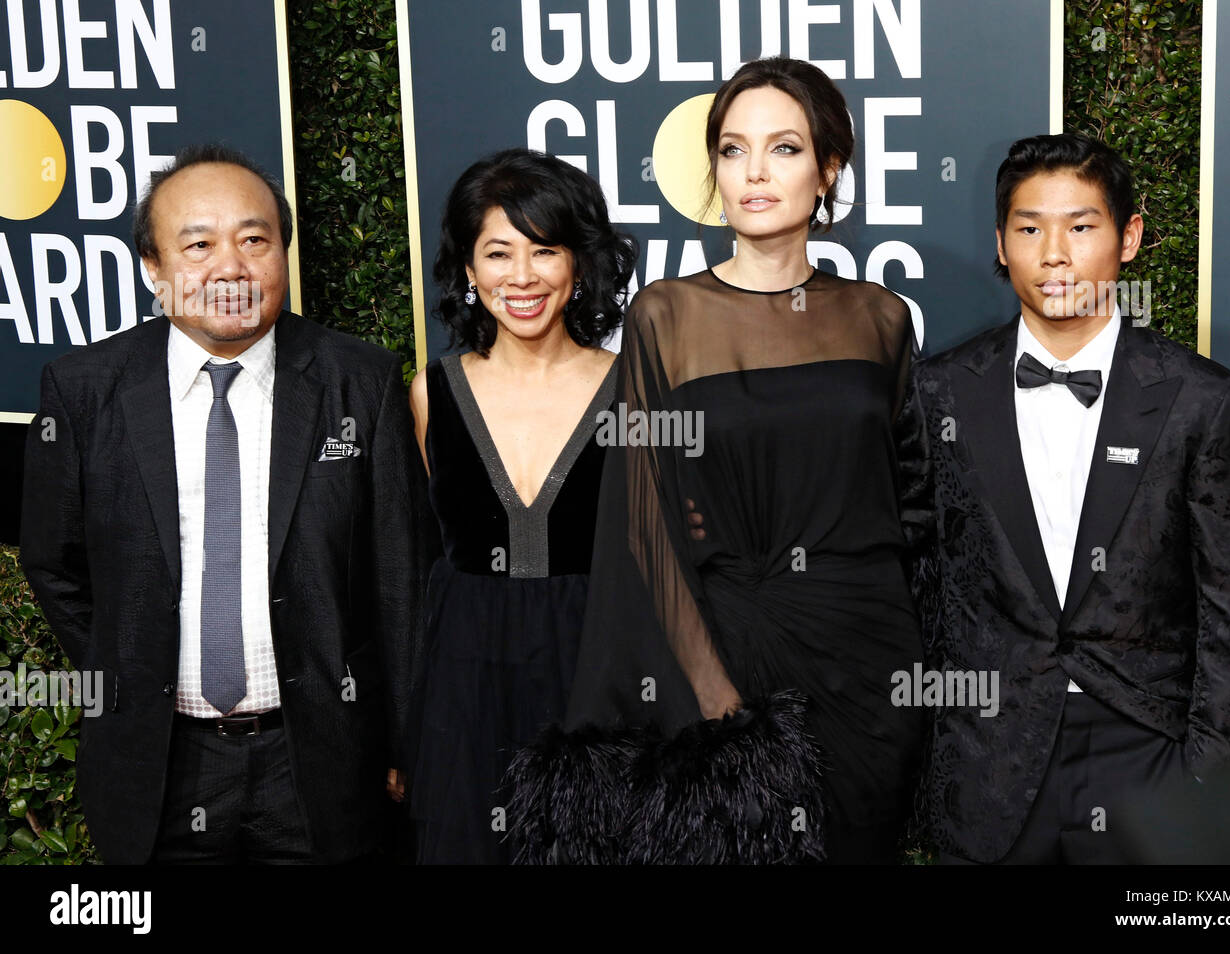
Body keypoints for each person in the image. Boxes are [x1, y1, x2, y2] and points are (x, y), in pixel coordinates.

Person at [508, 57, 926, 864]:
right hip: (731, 649)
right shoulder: (667, 316)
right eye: (733, 151)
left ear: (828, 168)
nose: (755, 173)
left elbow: (910, 495)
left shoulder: (880, 318)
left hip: (872, 663)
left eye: (784, 148)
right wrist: (720, 703)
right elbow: (642, 518)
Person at [20, 143, 425, 864]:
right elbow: (56, 564)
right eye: (199, 244)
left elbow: (399, 574)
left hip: (318, 760)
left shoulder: (359, 381)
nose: (230, 267)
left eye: (254, 240)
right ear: (154, 266)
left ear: (283, 255)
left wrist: (400, 739)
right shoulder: (84, 389)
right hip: (160, 762)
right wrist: (130, 672)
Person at [900, 133, 1230, 864]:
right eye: (1029, 227)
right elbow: (918, 579)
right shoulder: (938, 390)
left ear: (1128, 237)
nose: (1054, 253)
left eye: (1081, 226)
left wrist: (1209, 771)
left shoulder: (1203, 401)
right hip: (988, 764)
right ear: (1001, 243)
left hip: (1149, 757)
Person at [404, 149, 636, 863]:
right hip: (465, 689)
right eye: (498, 253)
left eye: (545, 250)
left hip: (600, 678)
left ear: (578, 265)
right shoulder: (429, 393)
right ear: (469, 272)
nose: (523, 276)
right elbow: (421, 563)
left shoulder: (636, 389)